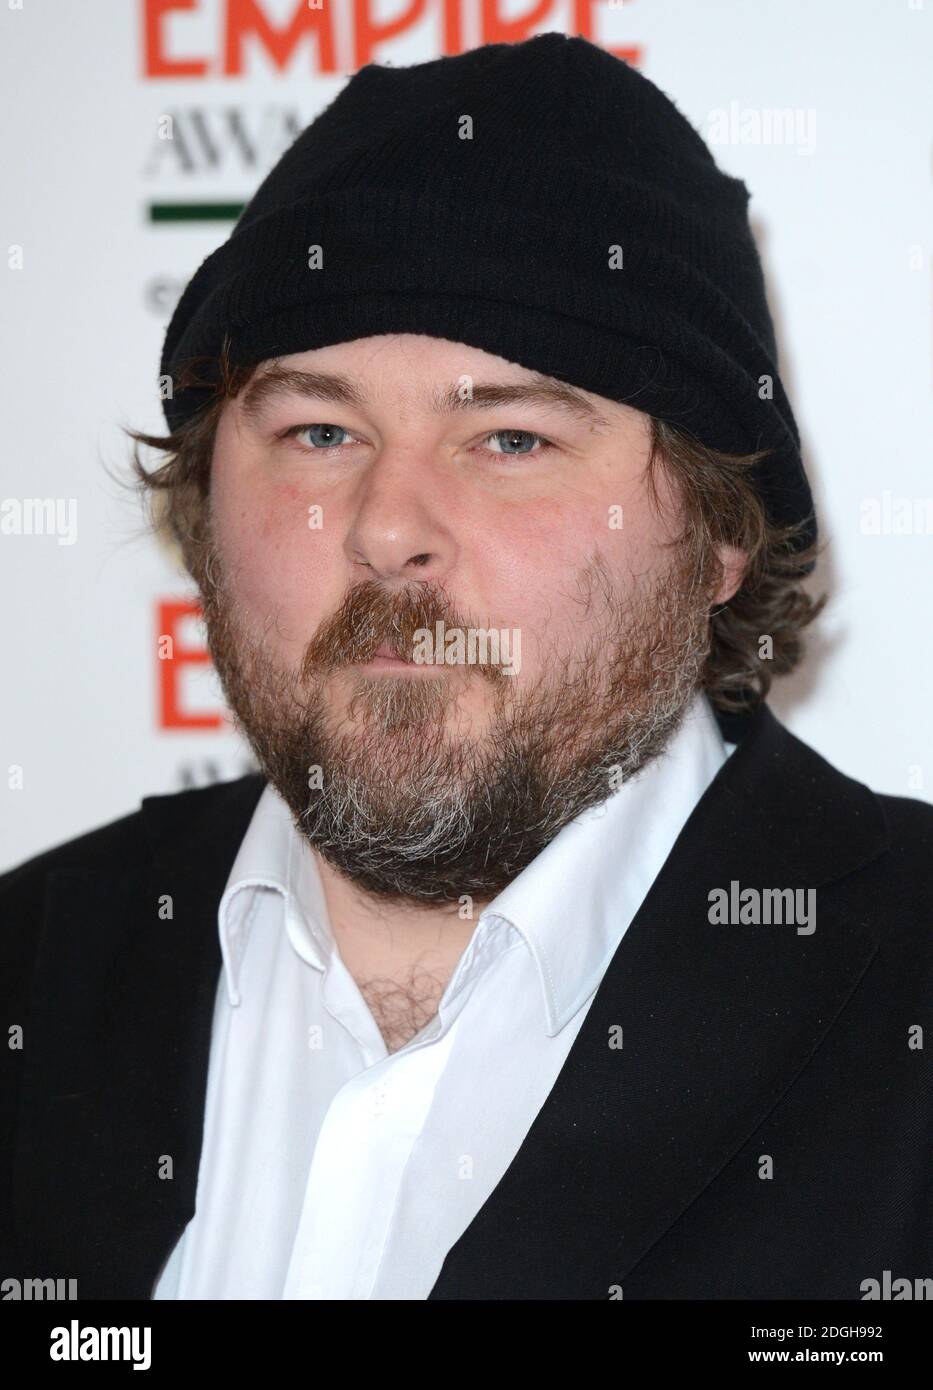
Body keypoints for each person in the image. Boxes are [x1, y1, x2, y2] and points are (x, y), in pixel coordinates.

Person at [1, 32, 930, 1302]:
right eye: (319, 430)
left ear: (721, 532)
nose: (388, 528)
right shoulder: (33, 964)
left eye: (508, 438)